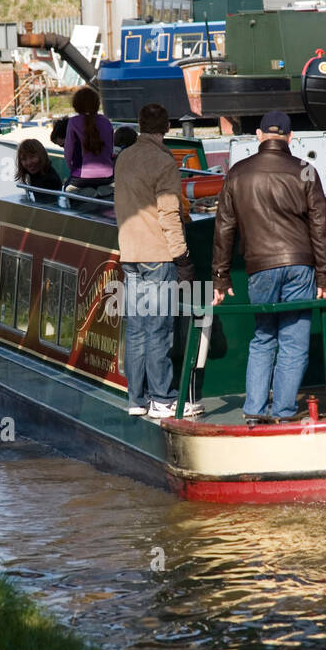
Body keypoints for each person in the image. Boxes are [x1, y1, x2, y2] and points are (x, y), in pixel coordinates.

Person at [211, 111, 326, 424]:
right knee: (294, 343)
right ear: (291, 137)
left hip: (259, 267)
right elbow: (320, 227)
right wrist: (325, 277)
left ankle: (254, 411)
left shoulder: (238, 173)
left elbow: (224, 227)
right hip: (300, 264)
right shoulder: (306, 171)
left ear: (258, 136)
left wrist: (220, 276)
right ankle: (283, 412)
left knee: (264, 336)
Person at [113, 103, 198, 419]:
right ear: (166, 127)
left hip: (130, 254)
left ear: (138, 124)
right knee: (159, 329)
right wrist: (182, 255)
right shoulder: (164, 162)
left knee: (135, 330)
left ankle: (137, 399)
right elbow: (168, 213)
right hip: (157, 255)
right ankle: (163, 397)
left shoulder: (124, 158)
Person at [63, 87, 114, 198]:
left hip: (81, 176)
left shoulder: (73, 122)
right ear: (97, 104)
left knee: (66, 188)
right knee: (104, 185)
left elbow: (68, 152)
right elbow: (110, 149)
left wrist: (72, 170)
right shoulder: (106, 122)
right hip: (107, 175)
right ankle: (102, 189)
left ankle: (85, 191)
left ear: (76, 105)